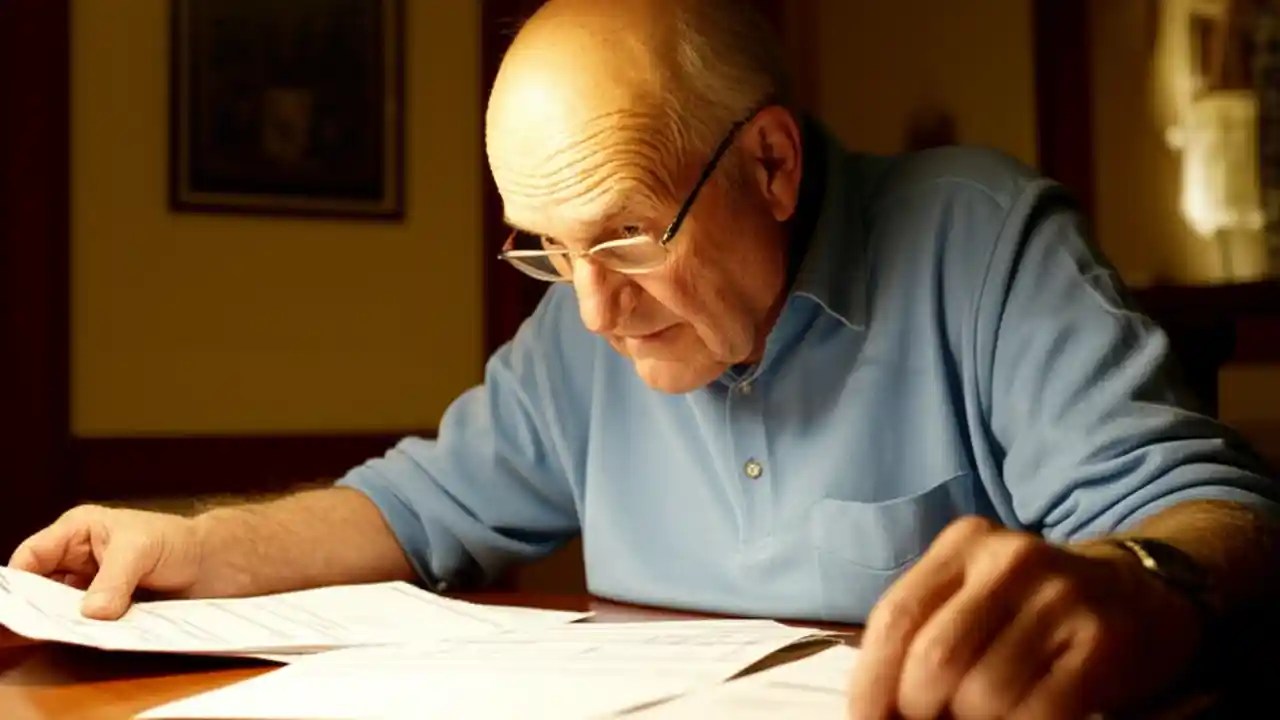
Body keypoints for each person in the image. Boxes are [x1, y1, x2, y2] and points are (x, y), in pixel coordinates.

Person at [9, 0, 1279, 717]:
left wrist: (1139, 576)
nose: (593, 311)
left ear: (772, 165)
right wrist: (191, 547)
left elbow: (1215, 512)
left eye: (623, 231)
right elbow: (414, 508)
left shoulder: (982, 241)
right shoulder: (582, 318)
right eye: (544, 250)